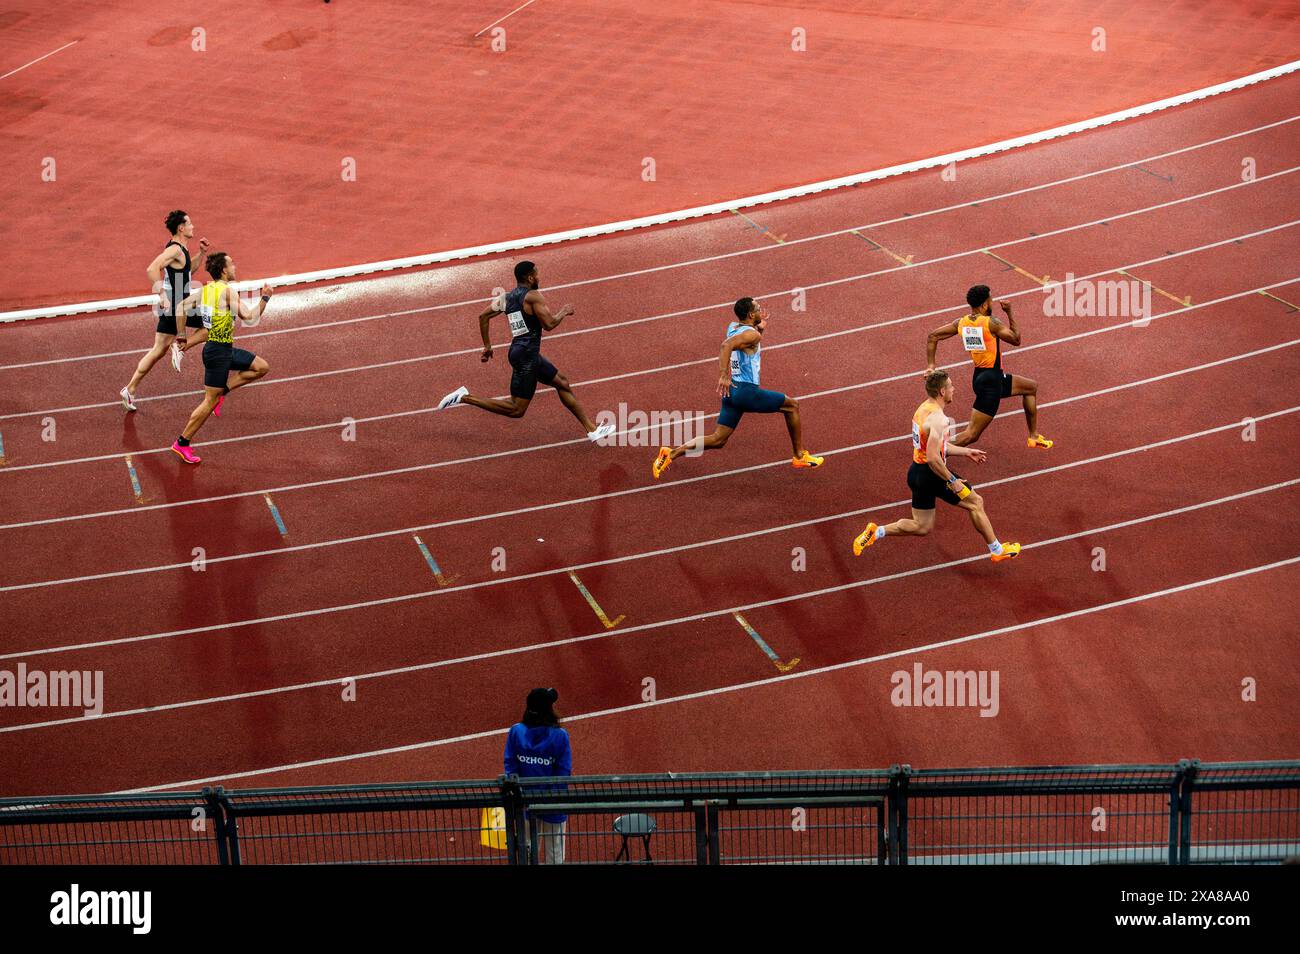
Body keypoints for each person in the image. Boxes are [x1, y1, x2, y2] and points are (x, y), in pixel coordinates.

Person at [437, 261, 615, 443]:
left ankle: (591, 430)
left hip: (523, 353)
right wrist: (564, 312)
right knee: (516, 409)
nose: (539, 277)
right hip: (526, 357)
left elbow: (483, 316)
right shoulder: (533, 296)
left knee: (562, 382)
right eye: (537, 274)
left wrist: (488, 346)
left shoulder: (506, 297)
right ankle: (464, 397)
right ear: (530, 277)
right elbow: (549, 324)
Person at [853, 370, 1020, 562]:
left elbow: (934, 448)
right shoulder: (939, 420)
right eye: (950, 386)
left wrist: (966, 451)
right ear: (942, 391)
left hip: (917, 473)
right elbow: (933, 458)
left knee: (921, 526)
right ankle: (997, 550)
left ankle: (877, 532)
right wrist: (952, 480)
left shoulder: (923, 409)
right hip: (933, 475)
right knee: (976, 503)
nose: (953, 389)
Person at [652, 296, 823, 478]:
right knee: (791, 406)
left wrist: (759, 328)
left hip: (732, 393)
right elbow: (726, 345)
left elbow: (743, 345)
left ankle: (670, 454)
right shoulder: (752, 335)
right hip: (746, 392)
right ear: (750, 314)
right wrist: (723, 374)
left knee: (718, 439)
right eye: (757, 309)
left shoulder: (733, 327)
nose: (760, 310)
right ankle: (799, 455)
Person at [168, 252, 272, 464]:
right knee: (208, 401)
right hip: (217, 354)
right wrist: (265, 297)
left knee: (261, 367)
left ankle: (223, 391)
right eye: (231, 264)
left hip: (222, 350)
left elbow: (180, 307)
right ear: (224, 270)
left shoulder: (206, 290)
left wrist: (182, 336)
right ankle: (182, 442)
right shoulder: (226, 292)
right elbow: (250, 318)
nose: (234, 266)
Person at [924, 284, 1052, 449]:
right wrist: (1009, 312)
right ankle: (934, 450)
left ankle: (1033, 436)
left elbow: (933, 336)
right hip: (991, 381)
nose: (992, 303)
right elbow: (1016, 339)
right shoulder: (991, 323)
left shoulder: (961, 323)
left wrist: (931, 365)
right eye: (990, 300)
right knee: (971, 434)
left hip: (982, 377)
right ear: (984, 304)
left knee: (1030, 387)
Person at [120, 210, 209, 411]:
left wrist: (201, 253)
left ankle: (129, 389)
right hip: (179, 303)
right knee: (209, 328)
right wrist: (160, 295)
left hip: (173, 303)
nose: (193, 226)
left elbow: (188, 271)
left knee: (158, 349)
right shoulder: (175, 250)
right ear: (181, 228)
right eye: (190, 223)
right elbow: (151, 269)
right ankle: (181, 345)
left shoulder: (179, 249)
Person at [503, 687, 572, 865]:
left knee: (526, 848)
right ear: (549, 709)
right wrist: (550, 798)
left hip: (524, 803)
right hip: (552, 804)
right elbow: (563, 772)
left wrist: (520, 794)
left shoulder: (516, 731)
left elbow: (510, 766)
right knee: (555, 851)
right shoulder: (560, 736)